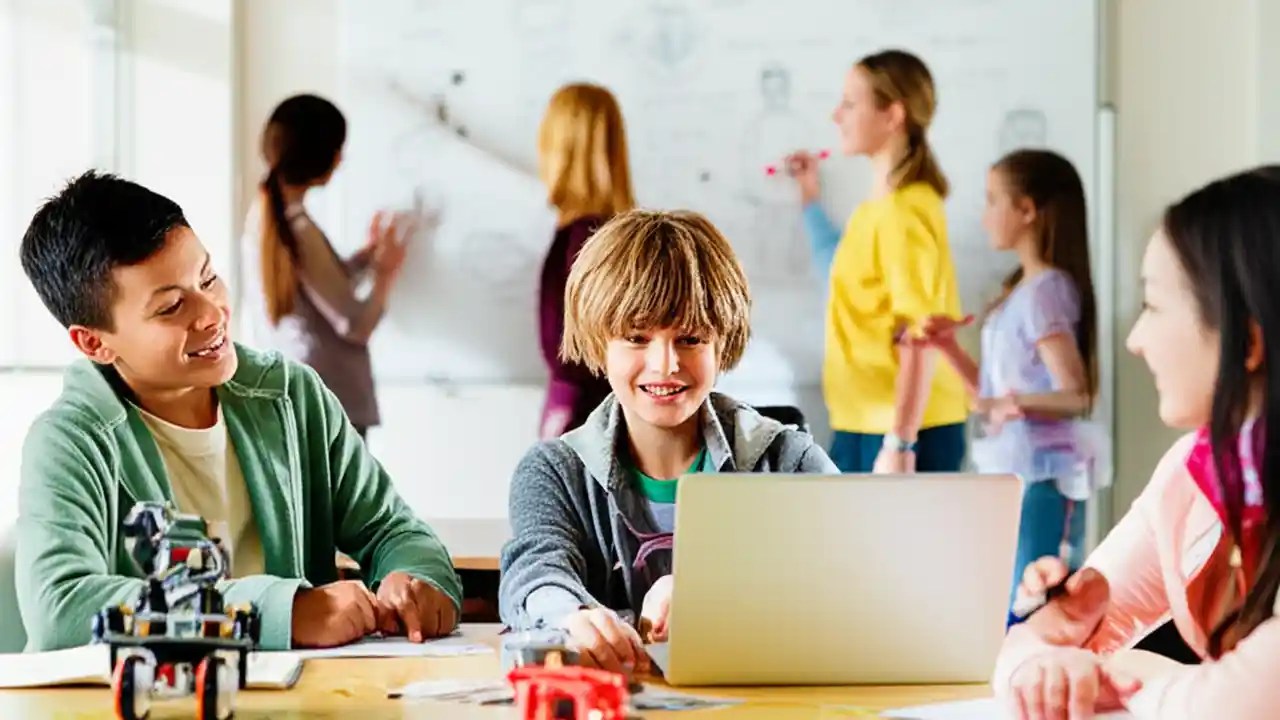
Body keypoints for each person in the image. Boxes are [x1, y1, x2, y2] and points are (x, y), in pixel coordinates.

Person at [15, 171, 460, 652]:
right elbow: (60, 609)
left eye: (208, 278)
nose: (211, 313)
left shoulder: (291, 395)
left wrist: (413, 578)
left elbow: (391, 528)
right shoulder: (69, 442)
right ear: (94, 342)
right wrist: (279, 613)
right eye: (170, 308)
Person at [994, 166, 1280, 719]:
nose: (1134, 340)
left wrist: (1141, 676)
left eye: (1153, 306)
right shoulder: (1194, 475)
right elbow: (1025, 650)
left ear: (1245, 340)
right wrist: (1046, 665)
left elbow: (1247, 700)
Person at [499, 209, 838, 672]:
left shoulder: (790, 460)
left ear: (724, 341)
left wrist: (715, 591)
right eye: (636, 338)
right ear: (601, 344)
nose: (665, 365)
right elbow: (535, 570)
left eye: (691, 339)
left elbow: (850, 576)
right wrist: (572, 616)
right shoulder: (554, 471)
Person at [912, 149, 1104, 623]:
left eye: (993, 199)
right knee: (1007, 608)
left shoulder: (1047, 291)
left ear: (1027, 211)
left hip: (1043, 477)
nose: (984, 214)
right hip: (1011, 474)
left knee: (1034, 606)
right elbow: (987, 400)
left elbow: (1078, 395)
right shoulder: (1020, 292)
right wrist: (949, 348)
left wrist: (1011, 403)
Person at [787, 49, 967, 474]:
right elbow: (838, 266)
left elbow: (921, 334)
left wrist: (901, 442)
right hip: (863, 421)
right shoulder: (875, 210)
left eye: (850, 103)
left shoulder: (905, 212)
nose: (836, 115)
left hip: (902, 431)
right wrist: (809, 194)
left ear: (892, 116)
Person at [242, 93, 410, 439]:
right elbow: (355, 324)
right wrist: (385, 274)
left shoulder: (266, 216)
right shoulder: (297, 228)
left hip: (301, 397)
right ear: (325, 156)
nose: (342, 158)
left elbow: (315, 287)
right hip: (329, 403)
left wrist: (366, 259)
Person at [536, 83, 635, 439]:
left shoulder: (587, 235)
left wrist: (560, 425)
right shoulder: (596, 230)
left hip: (583, 415)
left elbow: (578, 353)